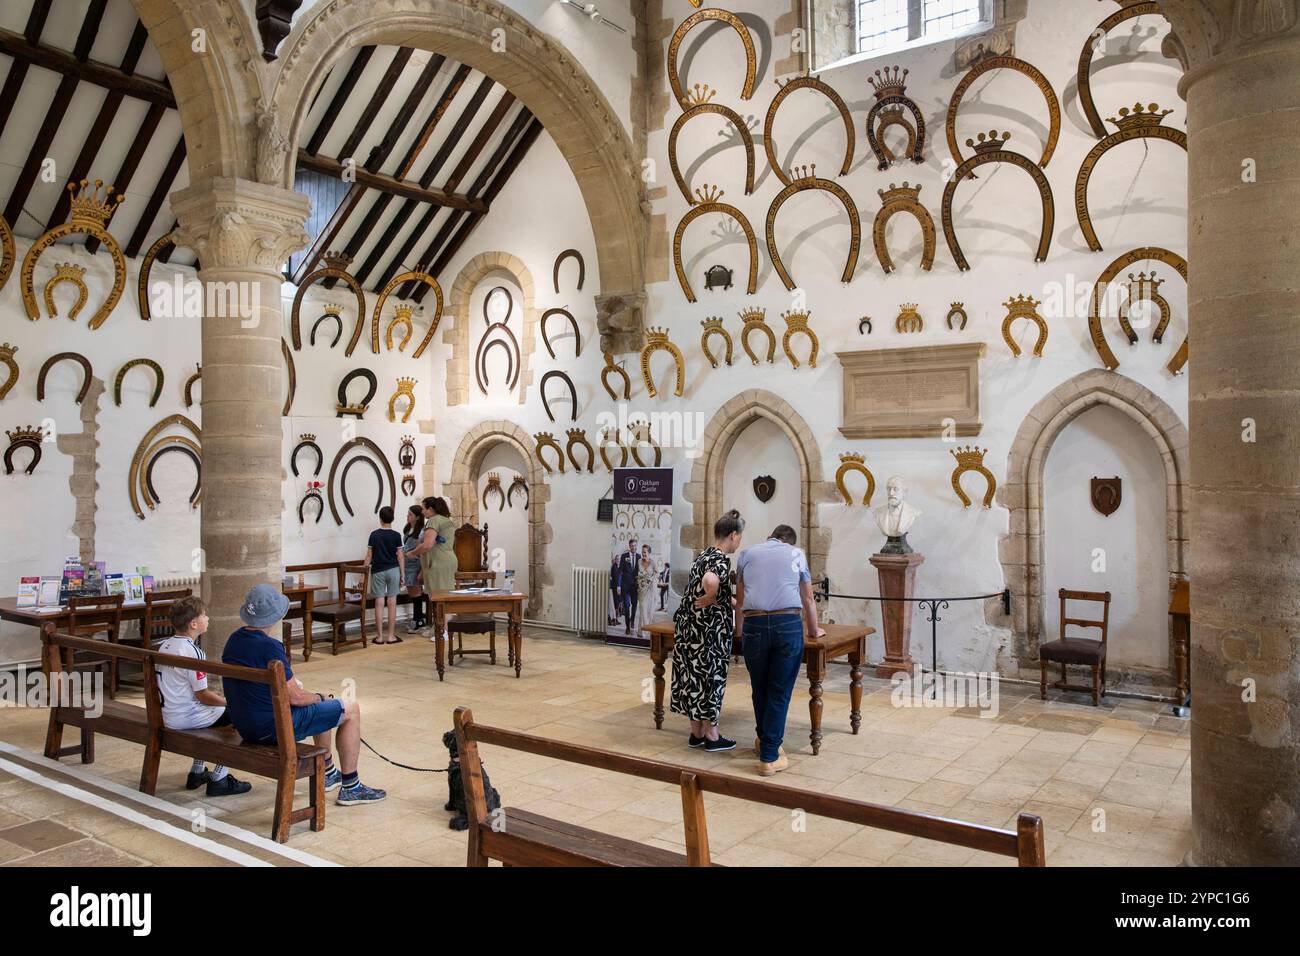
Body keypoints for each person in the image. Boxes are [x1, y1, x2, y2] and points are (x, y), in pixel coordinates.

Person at [222, 583, 386, 805]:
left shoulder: (233, 640)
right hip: (273, 727)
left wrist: (317, 699)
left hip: (246, 725)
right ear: (274, 616)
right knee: (349, 708)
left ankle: (328, 772)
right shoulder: (270, 647)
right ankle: (351, 786)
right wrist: (318, 697)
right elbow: (295, 698)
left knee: (323, 706)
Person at [736, 524, 825, 776]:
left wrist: (739, 633)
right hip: (786, 623)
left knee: (759, 687)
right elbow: (808, 598)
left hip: (753, 623)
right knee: (779, 689)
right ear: (789, 542)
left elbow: (740, 601)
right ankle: (770, 755)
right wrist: (814, 630)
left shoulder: (746, 554)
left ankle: (763, 740)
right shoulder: (797, 554)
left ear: (769, 537)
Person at [156, 596, 252, 796]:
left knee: (217, 712)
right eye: (204, 615)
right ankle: (219, 778)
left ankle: (198, 771)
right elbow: (203, 696)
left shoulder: (165, 645)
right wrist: (229, 703)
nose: (207, 619)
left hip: (166, 713)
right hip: (184, 717)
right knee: (239, 717)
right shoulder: (193, 652)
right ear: (193, 623)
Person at [669, 510, 745, 752]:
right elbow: (711, 581)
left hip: (689, 630)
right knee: (711, 678)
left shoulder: (703, 554)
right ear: (733, 535)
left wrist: (726, 600)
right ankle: (712, 736)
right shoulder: (720, 559)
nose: (739, 541)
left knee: (694, 679)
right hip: (709, 634)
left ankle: (697, 733)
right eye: (740, 536)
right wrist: (711, 596)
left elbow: (706, 584)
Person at [421, 496, 459, 643]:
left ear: (430, 509)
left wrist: (412, 553)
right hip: (445, 560)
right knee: (437, 596)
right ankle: (438, 627)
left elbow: (428, 544)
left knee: (442, 598)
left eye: (424, 508)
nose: (423, 512)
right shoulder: (446, 520)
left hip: (439, 562)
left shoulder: (434, 520)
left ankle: (445, 631)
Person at [365, 505, 405, 644]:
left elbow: (369, 556)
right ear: (392, 518)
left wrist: (362, 573)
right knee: (392, 602)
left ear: (380, 518)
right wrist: (402, 574)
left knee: (379, 602)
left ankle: (380, 636)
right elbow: (400, 556)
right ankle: (391, 636)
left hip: (378, 570)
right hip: (393, 569)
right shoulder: (396, 535)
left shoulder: (374, 535)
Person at [401, 505, 427, 633]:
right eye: (408, 514)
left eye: (410, 514)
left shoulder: (421, 532)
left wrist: (422, 569)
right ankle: (417, 618)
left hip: (415, 564)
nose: (408, 516)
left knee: (416, 591)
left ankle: (418, 620)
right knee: (411, 590)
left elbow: (421, 550)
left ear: (417, 517)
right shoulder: (407, 529)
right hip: (407, 563)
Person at [617, 537, 639, 636]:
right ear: (629, 546)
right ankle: (627, 628)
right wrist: (618, 585)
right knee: (626, 606)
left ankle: (632, 620)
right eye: (631, 546)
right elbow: (620, 572)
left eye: (635, 545)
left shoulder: (639, 557)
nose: (633, 547)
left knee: (634, 605)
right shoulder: (624, 556)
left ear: (636, 546)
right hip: (625, 586)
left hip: (635, 587)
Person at [634, 544, 657, 632]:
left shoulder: (652, 562)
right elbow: (637, 574)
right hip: (641, 589)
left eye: (645, 552)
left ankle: (641, 632)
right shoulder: (639, 561)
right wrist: (639, 581)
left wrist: (651, 579)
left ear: (649, 552)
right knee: (642, 609)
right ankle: (646, 630)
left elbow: (657, 573)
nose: (643, 553)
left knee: (648, 611)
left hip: (650, 590)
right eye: (642, 551)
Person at [608, 553, 622, 627]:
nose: (618, 560)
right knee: (615, 604)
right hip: (615, 588)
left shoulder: (618, 567)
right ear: (615, 560)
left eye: (619, 559)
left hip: (617, 588)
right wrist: (618, 588)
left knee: (616, 604)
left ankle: (615, 619)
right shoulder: (614, 567)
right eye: (617, 559)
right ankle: (614, 619)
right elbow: (616, 579)